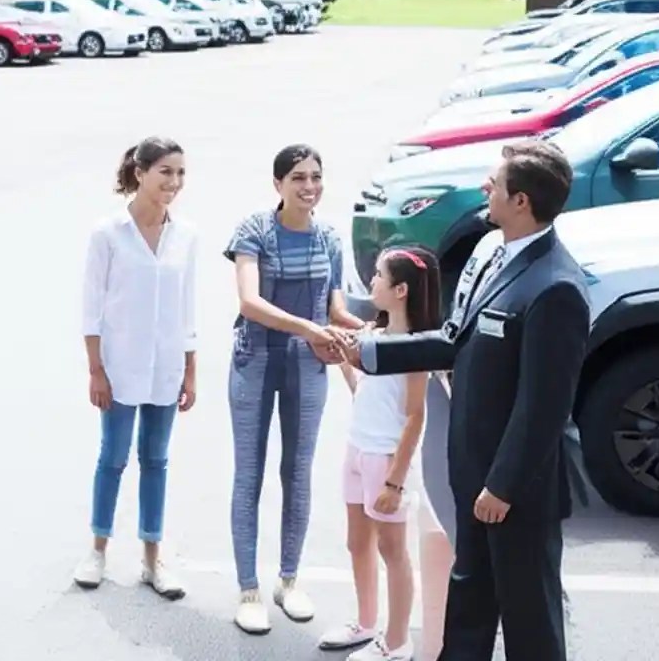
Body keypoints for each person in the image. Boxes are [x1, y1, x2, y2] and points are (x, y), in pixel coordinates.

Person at [345, 138, 591, 661]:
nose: (484, 188)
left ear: (520, 200)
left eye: (494, 183)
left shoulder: (556, 287)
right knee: (468, 608)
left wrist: (502, 486)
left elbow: (543, 406)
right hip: (472, 476)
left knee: (530, 621)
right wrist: (366, 351)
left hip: (513, 494)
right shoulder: (490, 253)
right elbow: (454, 340)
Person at [225, 144, 365, 633]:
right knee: (250, 474)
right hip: (256, 363)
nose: (309, 187)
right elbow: (250, 302)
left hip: (307, 367)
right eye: (299, 178)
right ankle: (248, 589)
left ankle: (289, 580)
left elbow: (335, 311)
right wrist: (309, 328)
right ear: (278, 184)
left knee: (298, 472)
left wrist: (373, 333)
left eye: (316, 177)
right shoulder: (254, 231)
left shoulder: (329, 238)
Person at [73, 136, 198, 600]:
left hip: (166, 366)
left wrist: (190, 370)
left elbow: (187, 308)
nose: (174, 182)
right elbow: (92, 307)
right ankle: (97, 550)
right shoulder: (108, 233)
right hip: (120, 366)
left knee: (156, 461)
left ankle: (152, 558)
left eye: (180, 173)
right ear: (140, 173)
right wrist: (95, 370)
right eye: (165, 171)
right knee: (113, 457)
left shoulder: (186, 236)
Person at [320, 247, 442, 661]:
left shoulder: (415, 349)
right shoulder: (374, 334)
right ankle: (367, 622)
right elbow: (364, 393)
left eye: (378, 275)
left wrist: (395, 481)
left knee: (393, 551)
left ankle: (397, 641)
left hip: (385, 459)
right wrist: (343, 360)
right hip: (357, 448)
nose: (371, 281)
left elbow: (415, 417)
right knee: (358, 543)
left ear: (401, 290)